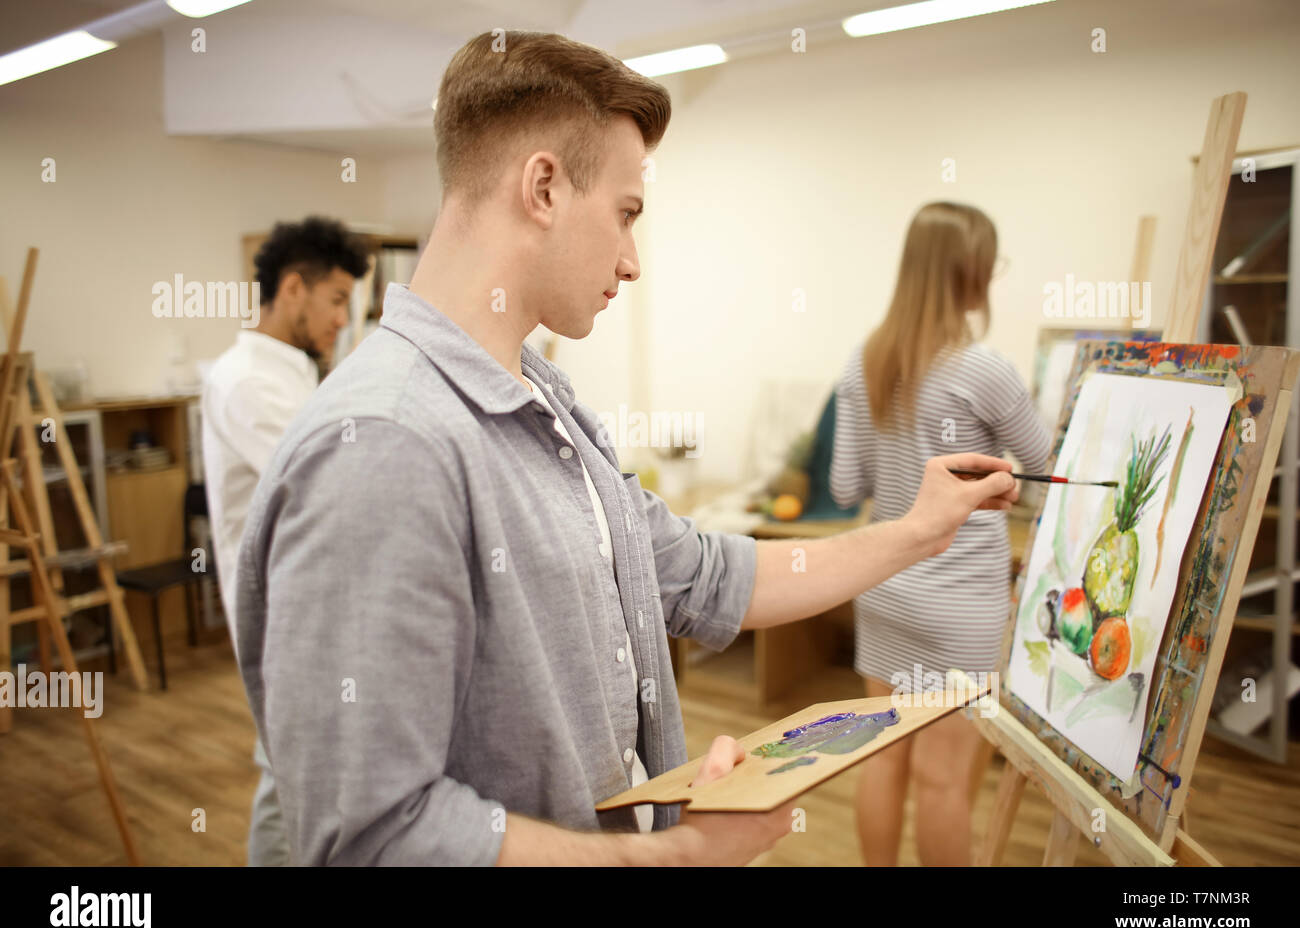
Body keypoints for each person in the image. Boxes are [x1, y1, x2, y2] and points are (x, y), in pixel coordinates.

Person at [233, 32, 1020, 866]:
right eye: (626, 213)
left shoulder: (545, 401)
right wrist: (686, 853)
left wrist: (917, 531)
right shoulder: (385, 446)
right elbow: (373, 836)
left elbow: (703, 576)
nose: (633, 259)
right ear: (542, 186)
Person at [830, 201, 1053, 866]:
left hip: (884, 591)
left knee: (883, 760)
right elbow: (1046, 473)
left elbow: (846, 488)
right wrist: (1001, 481)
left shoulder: (861, 361)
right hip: (960, 608)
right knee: (943, 779)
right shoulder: (984, 370)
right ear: (974, 274)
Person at [200, 216, 368, 865]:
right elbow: (328, 483)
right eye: (336, 301)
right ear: (293, 288)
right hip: (283, 619)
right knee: (287, 777)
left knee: (302, 774)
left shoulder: (293, 370)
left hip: (314, 605)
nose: (342, 319)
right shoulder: (246, 380)